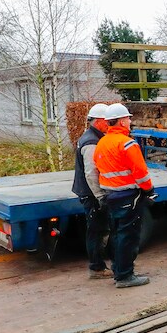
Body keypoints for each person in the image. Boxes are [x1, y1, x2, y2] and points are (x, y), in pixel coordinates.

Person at [93, 103, 154, 289]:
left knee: (117, 235)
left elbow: (97, 168)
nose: (130, 121)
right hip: (129, 196)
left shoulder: (102, 143)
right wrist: (149, 189)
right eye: (128, 118)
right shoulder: (127, 144)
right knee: (128, 237)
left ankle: (119, 271)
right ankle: (125, 276)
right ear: (121, 121)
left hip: (111, 196)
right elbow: (140, 172)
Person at [73, 103, 110, 278]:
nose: (109, 124)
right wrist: (100, 196)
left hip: (89, 192)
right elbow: (91, 173)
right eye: (107, 121)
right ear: (99, 121)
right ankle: (97, 268)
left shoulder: (91, 137)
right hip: (91, 194)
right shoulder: (91, 142)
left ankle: (98, 265)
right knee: (96, 230)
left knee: (97, 229)